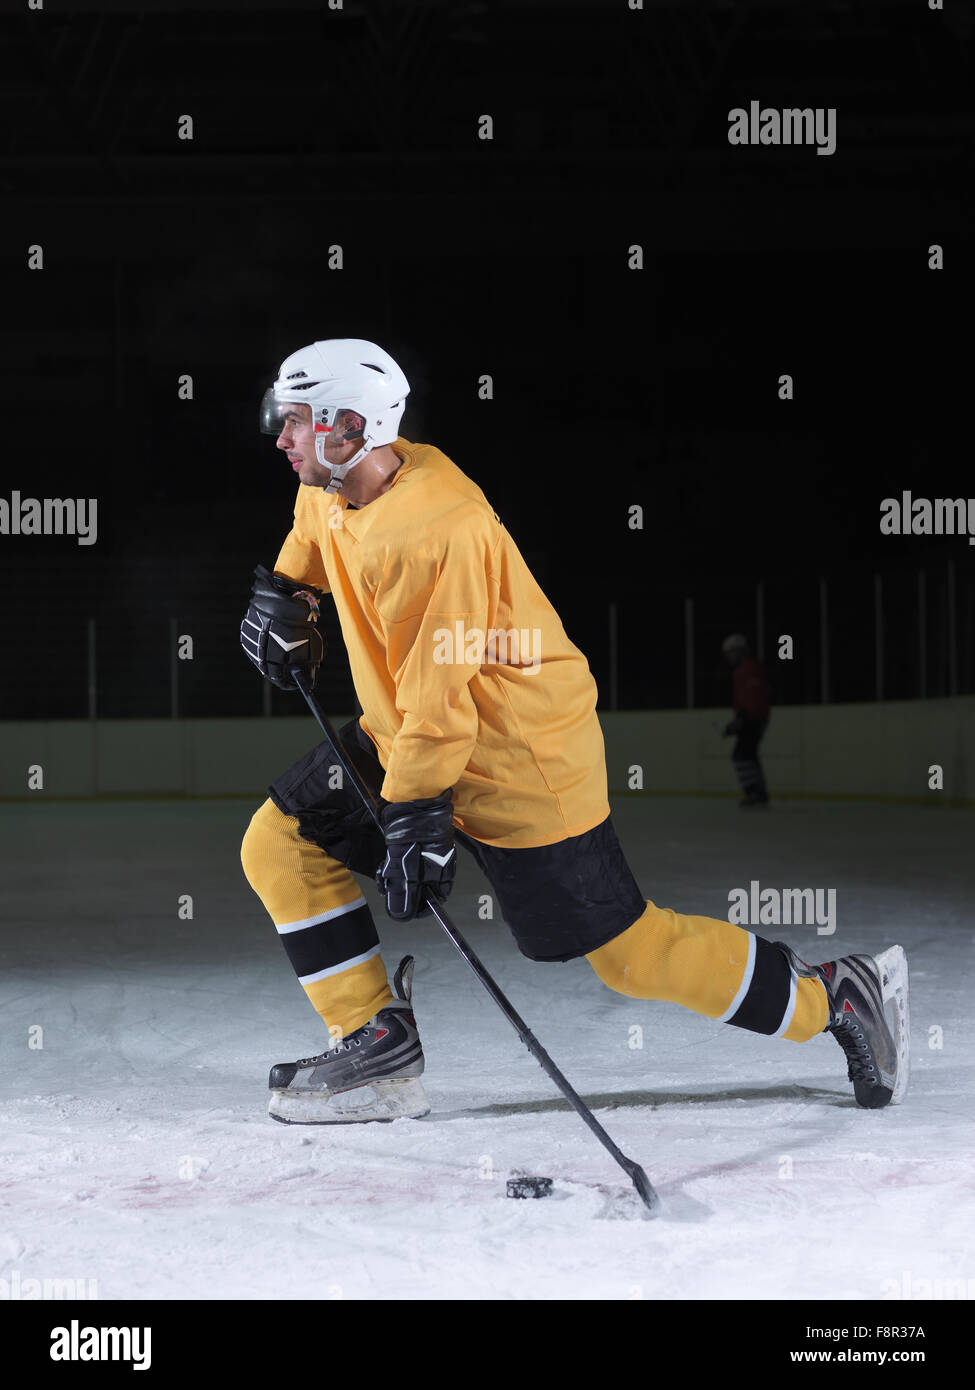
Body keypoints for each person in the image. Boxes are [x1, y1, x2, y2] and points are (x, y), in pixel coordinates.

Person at [239, 338, 909, 1125]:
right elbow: (315, 536)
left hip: (519, 758)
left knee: (627, 954)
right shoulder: (338, 482)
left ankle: (833, 996)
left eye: (295, 423)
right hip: (413, 730)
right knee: (279, 841)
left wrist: (416, 816)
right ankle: (374, 1040)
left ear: (349, 425)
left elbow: (442, 690)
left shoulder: (436, 528)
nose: (280, 439)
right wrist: (288, 593)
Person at [721, 633, 771, 809]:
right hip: (751, 717)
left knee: (742, 755)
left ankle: (755, 792)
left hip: (753, 718)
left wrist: (742, 718)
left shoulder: (749, 669)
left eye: (731, 652)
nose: (728, 657)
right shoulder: (742, 671)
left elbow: (753, 697)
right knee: (747, 755)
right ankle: (758, 792)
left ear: (740, 652)